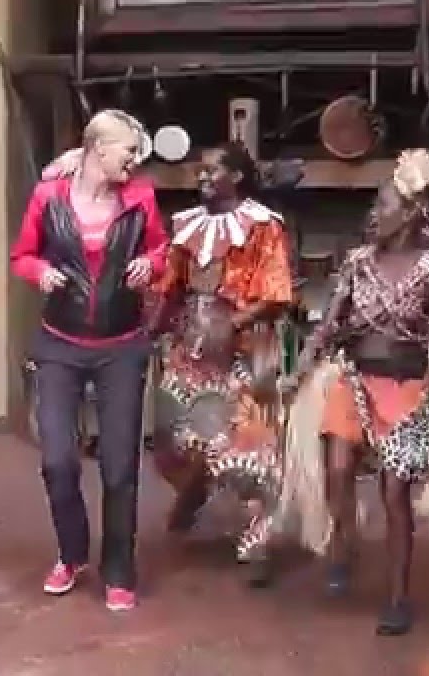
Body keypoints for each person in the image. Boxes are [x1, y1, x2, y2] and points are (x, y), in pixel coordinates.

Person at [279, 148, 429, 636]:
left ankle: (398, 596)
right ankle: (344, 545)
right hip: (352, 380)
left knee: (395, 493)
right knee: (337, 468)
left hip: (408, 388)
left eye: (384, 205)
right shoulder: (356, 264)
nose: (373, 214)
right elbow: (329, 326)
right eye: (373, 206)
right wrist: (301, 367)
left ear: (410, 213)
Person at [11, 109, 168, 612]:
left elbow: (161, 248)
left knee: (120, 466)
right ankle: (72, 552)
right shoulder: (47, 197)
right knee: (57, 460)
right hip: (60, 343)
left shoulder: (141, 198)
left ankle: (119, 569)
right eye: (128, 151)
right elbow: (22, 255)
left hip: (121, 346)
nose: (135, 162)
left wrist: (152, 263)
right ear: (100, 148)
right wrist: (39, 273)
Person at [145, 143, 294, 583]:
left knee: (247, 442)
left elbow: (276, 293)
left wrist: (233, 322)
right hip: (190, 348)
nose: (202, 176)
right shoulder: (185, 227)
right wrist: (151, 326)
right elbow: (169, 288)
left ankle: (258, 535)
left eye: (213, 169)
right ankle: (194, 490)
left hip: (242, 352)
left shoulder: (264, 227)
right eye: (201, 170)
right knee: (177, 437)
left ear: (237, 177)